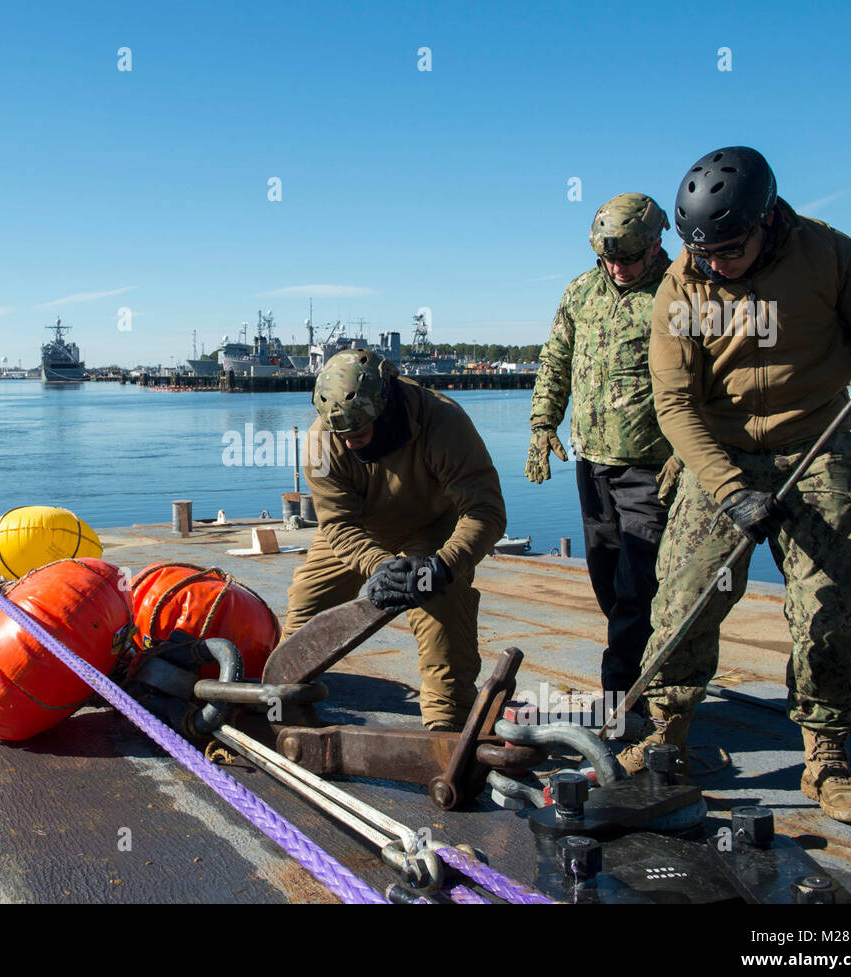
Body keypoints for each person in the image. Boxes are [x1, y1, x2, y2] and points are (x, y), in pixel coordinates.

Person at [619, 146, 851, 827]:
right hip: (717, 451)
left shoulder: (829, 253)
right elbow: (674, 404)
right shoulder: (682, 286)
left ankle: (828, 754)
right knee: (685, 594)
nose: (716, 263)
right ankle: (667, 736)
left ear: (767, 219)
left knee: (828, 602)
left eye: (730, 249)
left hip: (815, 441)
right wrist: (726, 488)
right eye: (704, 251)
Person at [284, 349, 506, 731]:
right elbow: (336, 523)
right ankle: (283, 702)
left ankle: (448, 727)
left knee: (441, 609)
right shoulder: (322, 440)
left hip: (431, 527)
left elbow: (485, 512)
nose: (350, 444)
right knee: (306, 608)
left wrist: (444, 565)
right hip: (359, 531)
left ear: (385, 408)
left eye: (359, 432)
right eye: (342, 435)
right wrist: (380, 566)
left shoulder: (443, 422)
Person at [527, 193, 674, 716]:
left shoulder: (680, 295)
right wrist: (543, 421)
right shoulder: (582, 291)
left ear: (657, 243)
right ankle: (644, 666)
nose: (617, 267)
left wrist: (691, 451)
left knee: (640, 582)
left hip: (654, 466)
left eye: (628, 257)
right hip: (592, 463)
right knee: (606, 576)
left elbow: (709, 380)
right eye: (608, 257)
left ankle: (623, 696)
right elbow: (555, 359)